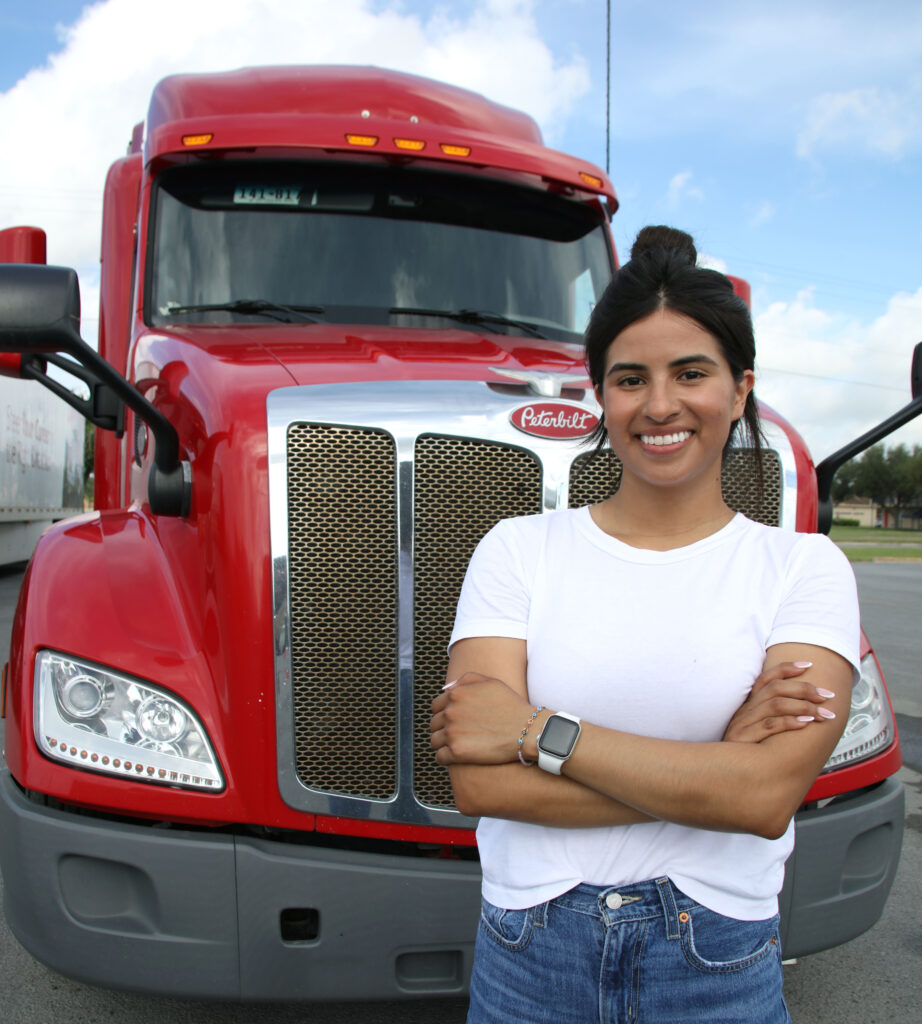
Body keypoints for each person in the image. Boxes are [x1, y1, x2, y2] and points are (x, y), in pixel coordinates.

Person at [429, 226, 859, 1024]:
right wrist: (716, 770)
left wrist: (537, 733)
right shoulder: (517, 550)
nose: (660, 405)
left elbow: (766, 798)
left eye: (690, 373)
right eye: (631, 379)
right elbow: (477, 782)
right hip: (530, 952)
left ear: (739, 390)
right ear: (602, 397)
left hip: (717, 957)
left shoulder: (804, 569)